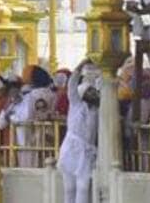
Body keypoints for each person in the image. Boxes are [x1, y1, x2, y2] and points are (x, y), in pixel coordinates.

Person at [58, 60, 100, 203]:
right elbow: (72, 84)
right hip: (71, 150)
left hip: (86, 153)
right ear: (83, 94)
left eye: (93, 91)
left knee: (83, 187)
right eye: (90, 91)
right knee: (69, 188)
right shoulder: (76, 103)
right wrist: (80, 66)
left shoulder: (96, 110)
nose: (93, 93)